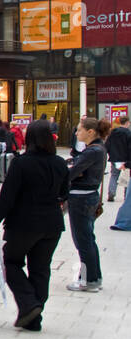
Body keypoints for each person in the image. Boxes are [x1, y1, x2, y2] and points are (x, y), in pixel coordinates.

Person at [0, 120, 71, 332]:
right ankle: (34, 317)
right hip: (52, 224)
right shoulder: (60, 163)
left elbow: (7, 199)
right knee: (41, 269)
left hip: (23, 224)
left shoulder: (21, 163)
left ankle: (29, 304)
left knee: (11, 263)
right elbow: (64, 194)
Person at [66, 117, 109, 292]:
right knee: (88, 240)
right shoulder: (97, 149)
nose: (77, 133)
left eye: (79, 130)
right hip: (88, 197)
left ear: (90, 132)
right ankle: (94, 277)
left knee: (82, 241)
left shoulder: (92, 151)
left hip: (81, 199)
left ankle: (88, 280)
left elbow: (73, 173)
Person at [105, 116, 130, 202]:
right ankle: (126, 196)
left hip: (114, 158)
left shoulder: (113, 133)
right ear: (127, 123)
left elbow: (107, 145)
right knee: (126, 177)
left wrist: (109, 154)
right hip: (126, 159)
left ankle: (111, 193)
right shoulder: (128, 133)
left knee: (114, 176)